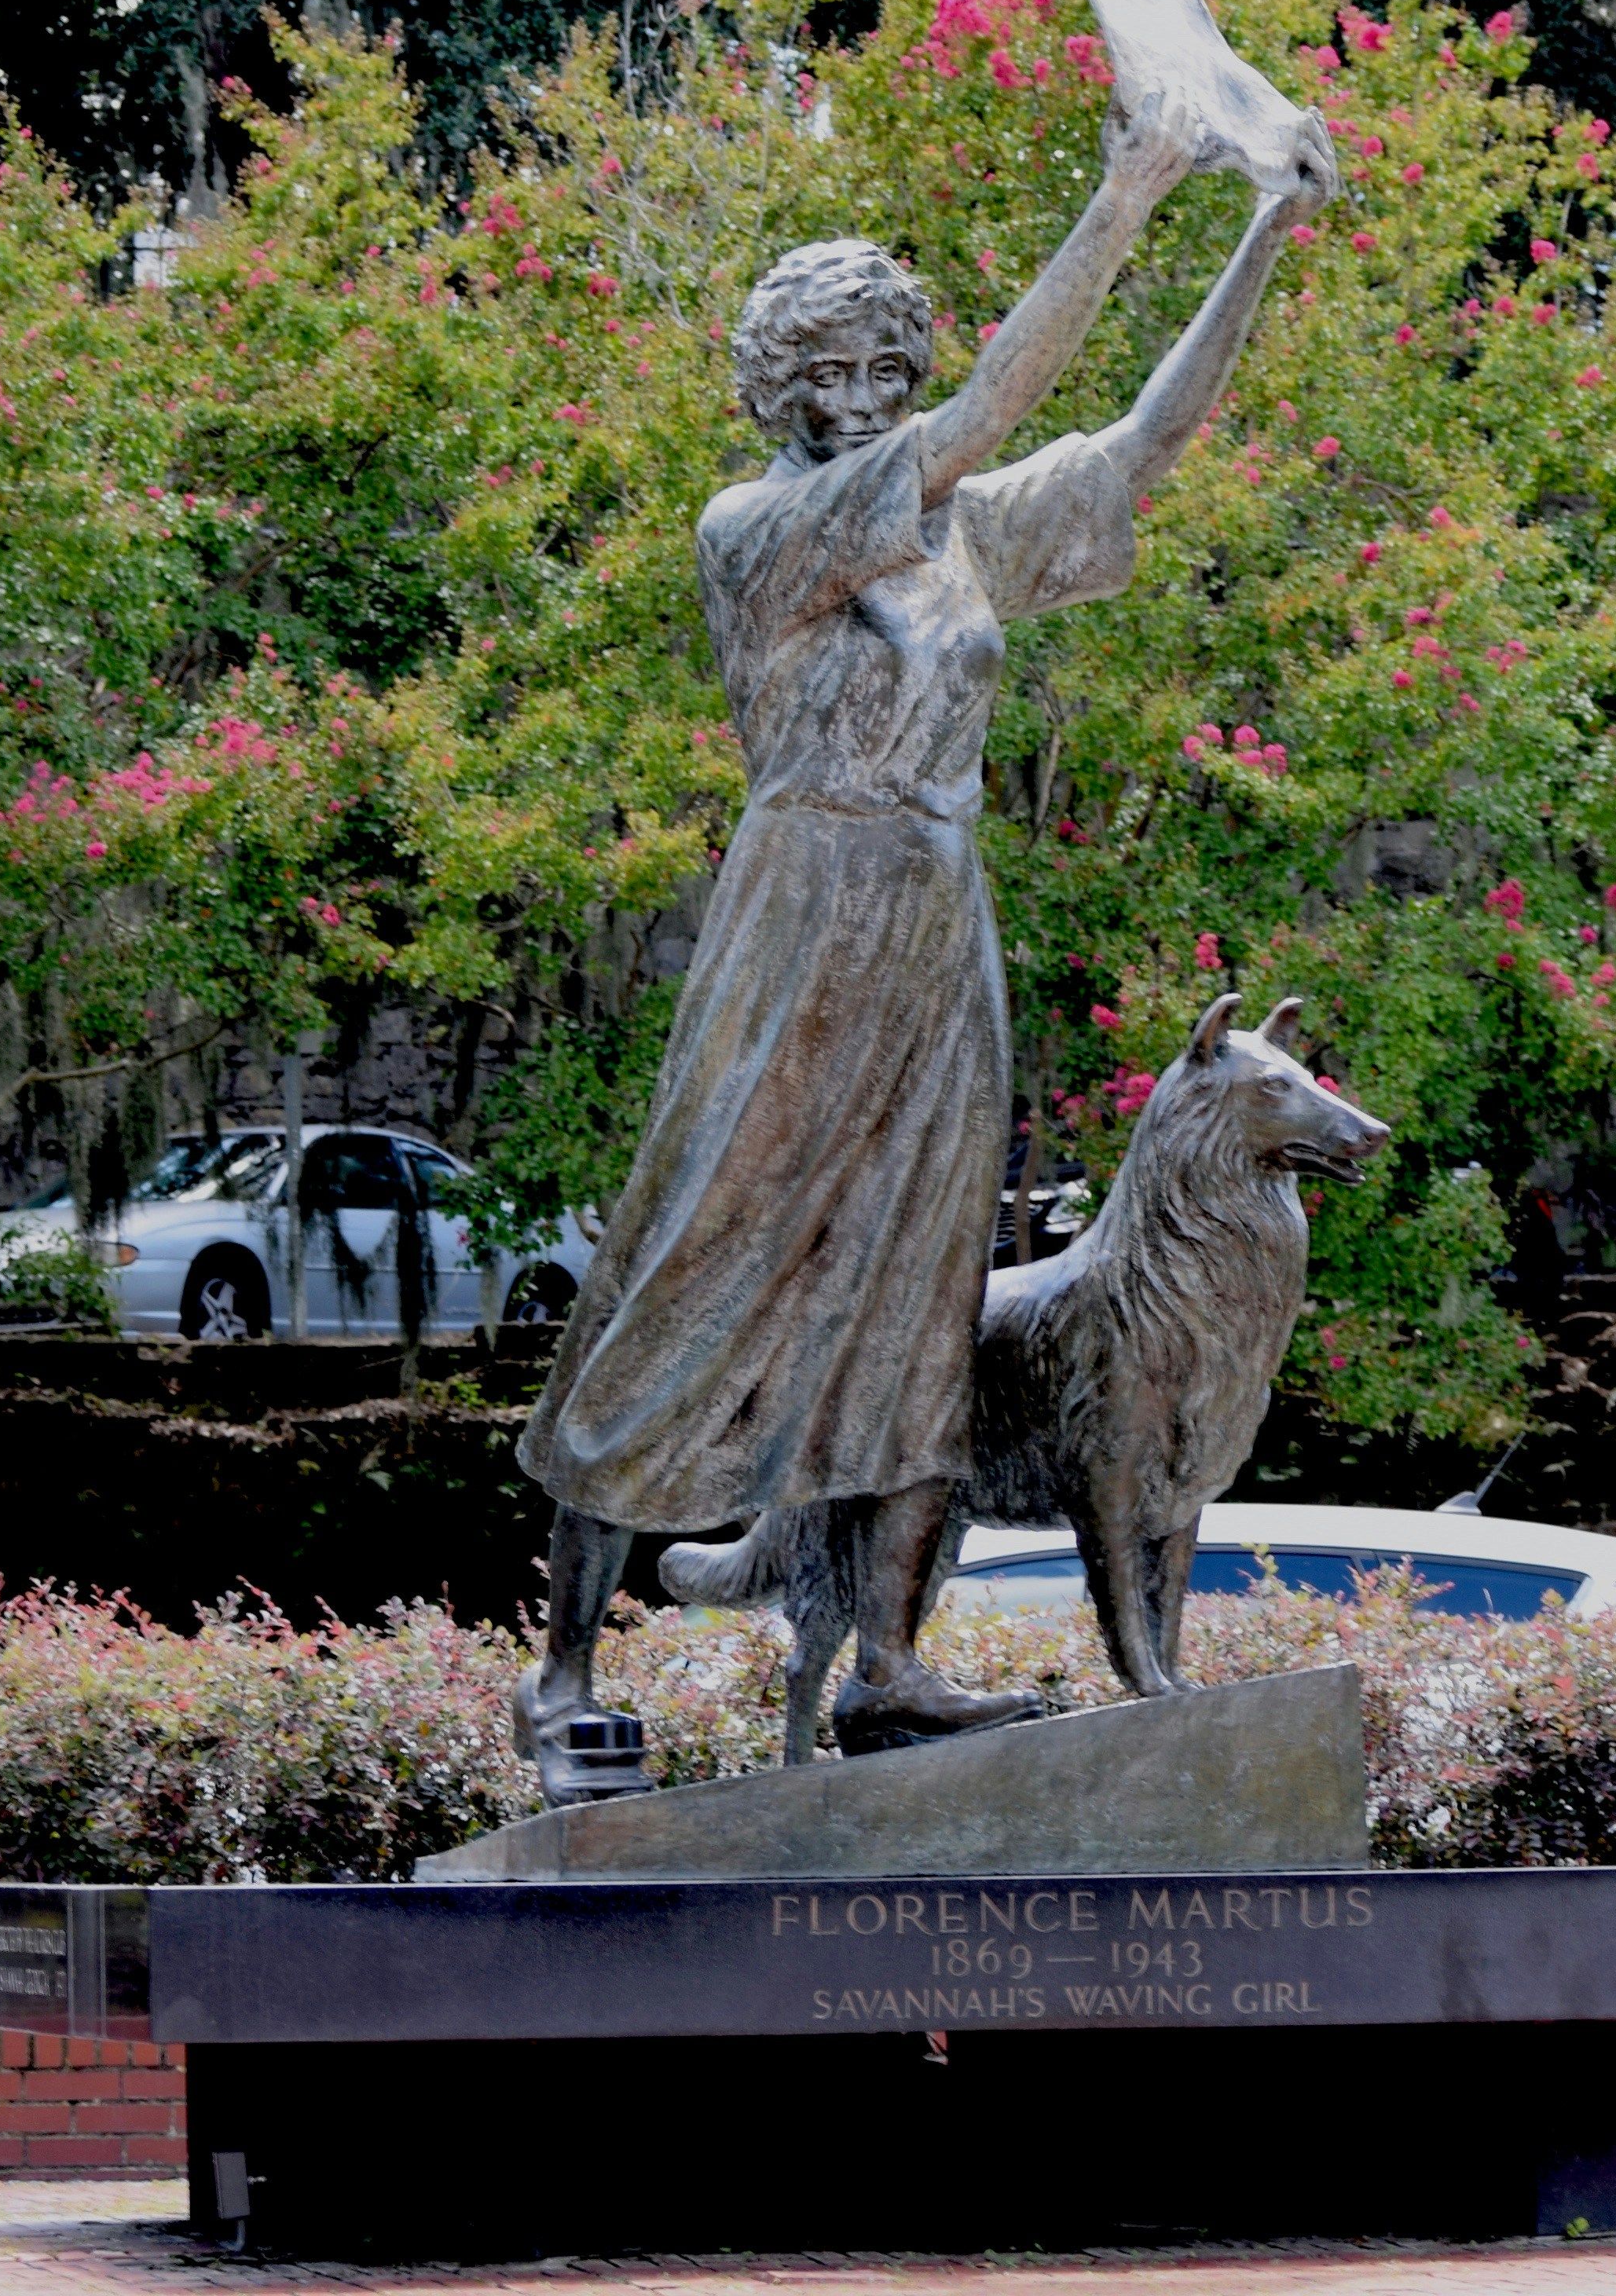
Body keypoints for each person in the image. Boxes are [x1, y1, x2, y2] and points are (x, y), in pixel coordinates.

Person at [509, 90, 1329, 1789]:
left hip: (937, 923)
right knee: (696, 1260)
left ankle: (888, 1655)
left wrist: (1261, 227)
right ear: (779, 390)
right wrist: (1124, 190)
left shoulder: (961, 534)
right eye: (836, 376)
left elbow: (1132, 449)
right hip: (801, 912)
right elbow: (987, 411)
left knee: (918, 1285)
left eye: (888, 365)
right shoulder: (758, 528)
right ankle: (564, 1659)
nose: (870, 400)